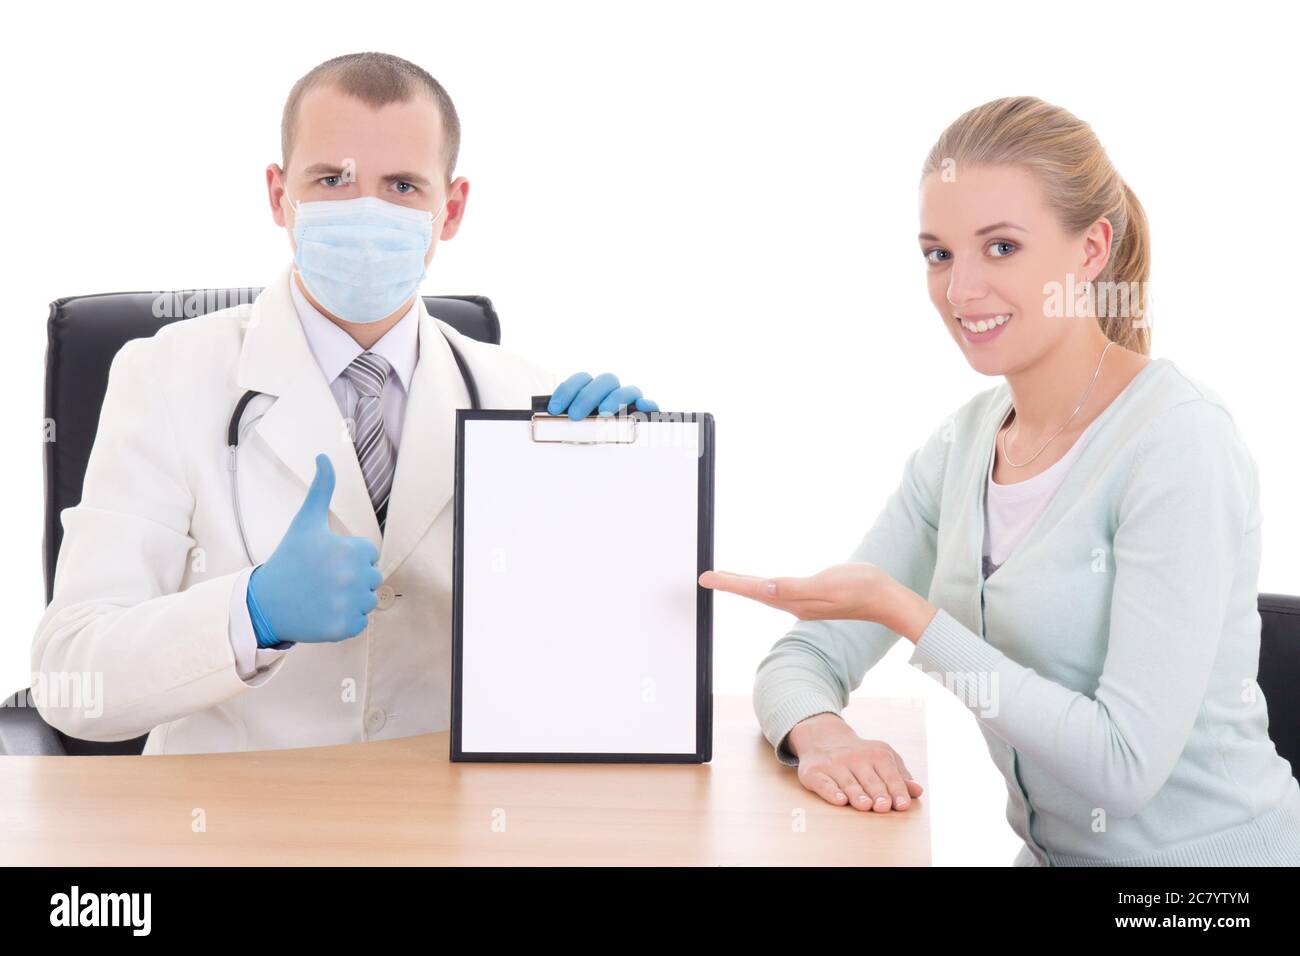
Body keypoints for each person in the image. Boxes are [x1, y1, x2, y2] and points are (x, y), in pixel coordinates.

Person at [700, 96, 1300, 866]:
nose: (959, 291)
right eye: (938, 254)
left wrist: (914, 618)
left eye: (1002, 248)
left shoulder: (1178, 441)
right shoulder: (963, 444)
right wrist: (822, 737)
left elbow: (1122, 769)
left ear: (1091, 251)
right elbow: (802, 661)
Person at [32, 52, 659, 754]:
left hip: (446, 826)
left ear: (449, 210)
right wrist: (252, 612)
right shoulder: (166, 377)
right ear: (279, 195)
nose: (367, 210)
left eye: (402, 185)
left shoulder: (525, 408)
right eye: (333, 179)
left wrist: (624, 518)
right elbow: (69, 679)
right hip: (231, 830)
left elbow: (597, 669)